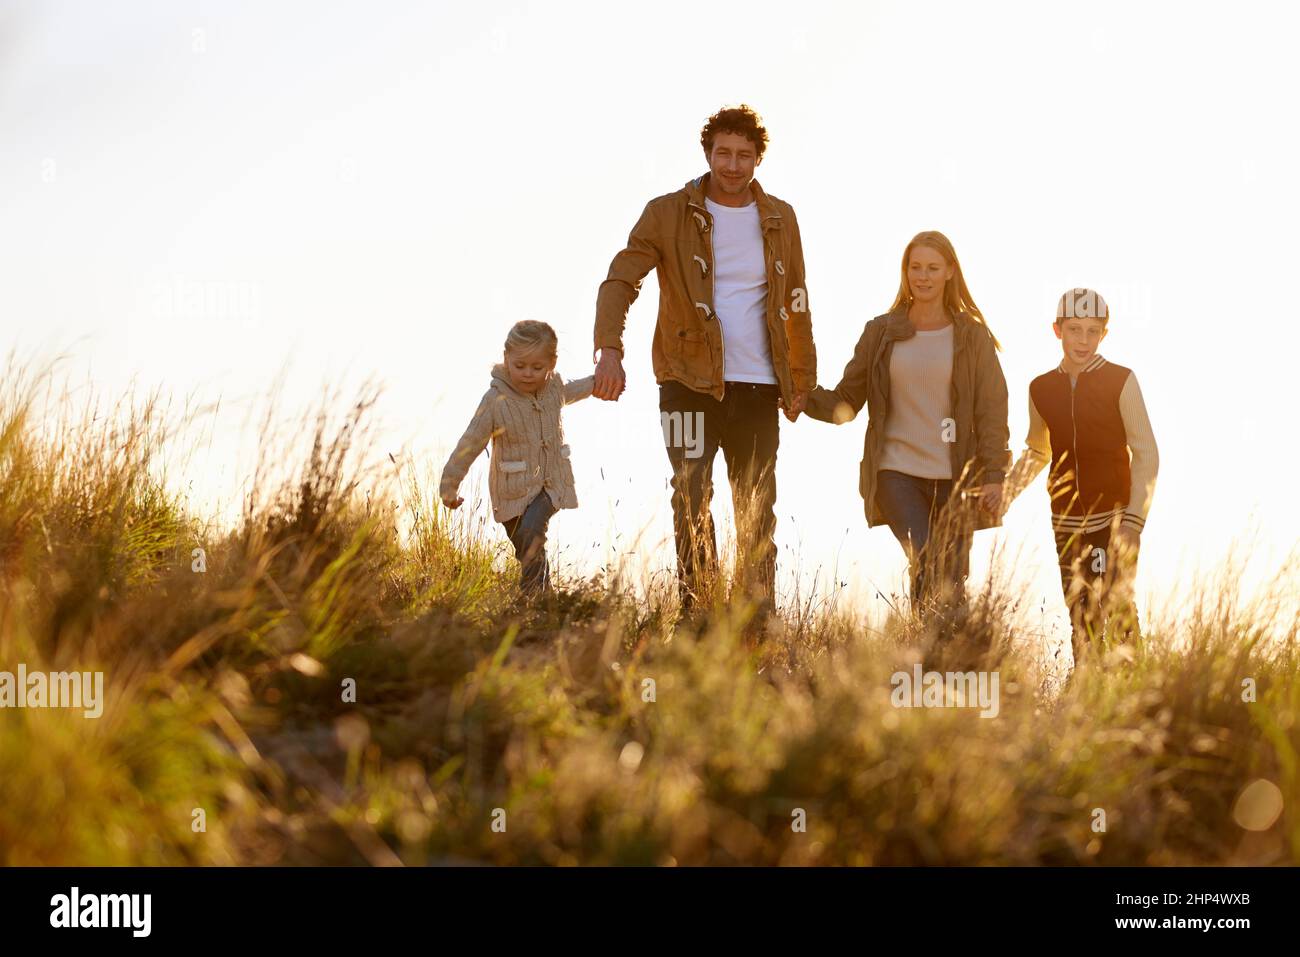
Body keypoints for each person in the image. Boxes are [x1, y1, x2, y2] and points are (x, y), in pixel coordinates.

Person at [591, 104, 817, 624]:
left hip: (760, 386)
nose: (733, 166)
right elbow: (621, 279)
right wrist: (609, 347)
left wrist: (800, 377)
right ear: (707, 153)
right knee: (690, 495)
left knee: (756, 509)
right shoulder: (667, 212)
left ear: (759, 158)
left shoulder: (780, 217)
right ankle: (697, 618)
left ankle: (756, 623)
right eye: (723, 154)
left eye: (744, 155)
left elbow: (798, 299)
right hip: (686, 382)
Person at [802, 231, 1010, 624]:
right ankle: (937, 650)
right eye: (915, 267)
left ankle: (940, 657)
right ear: (905, 271)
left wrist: (996, 474)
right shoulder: (881, 332)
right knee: (928, 554)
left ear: (950, 271)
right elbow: (847, 399)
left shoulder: (971, 336)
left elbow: (992, 412)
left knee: (951, 574)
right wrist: (802, 397)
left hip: (956, 477)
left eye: (933, 268)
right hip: (896, 472)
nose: (923, 276)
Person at [1002, 288, 1159, 667]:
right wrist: (1005, 493)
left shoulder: (1121, 381)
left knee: (1118, 608)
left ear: (1104, 334)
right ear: (1057, 330)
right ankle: (1087, 695)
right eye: (1075, 330)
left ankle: (1135, 693)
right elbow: (1039, 451)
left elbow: (1147, 453)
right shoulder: (1041, 388)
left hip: (1116, 519)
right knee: (1081, 615)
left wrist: (1134, 521)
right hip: (1066, 522)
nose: (1083, 340)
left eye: (1093, 331)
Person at [440, 320, 594, 598]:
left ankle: (529, 602)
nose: (527, 374)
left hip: (549, 484)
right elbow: (470, 442)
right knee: (528, 549)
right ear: (506, 359)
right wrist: (449, 485)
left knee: (533, 532)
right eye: (519, 365)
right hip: (511, 491)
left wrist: (600, 383)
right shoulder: (495, 400)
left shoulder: (553, 388)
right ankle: (547, 602)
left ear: (552, 363)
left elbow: (576, 388)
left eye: (538, 368)